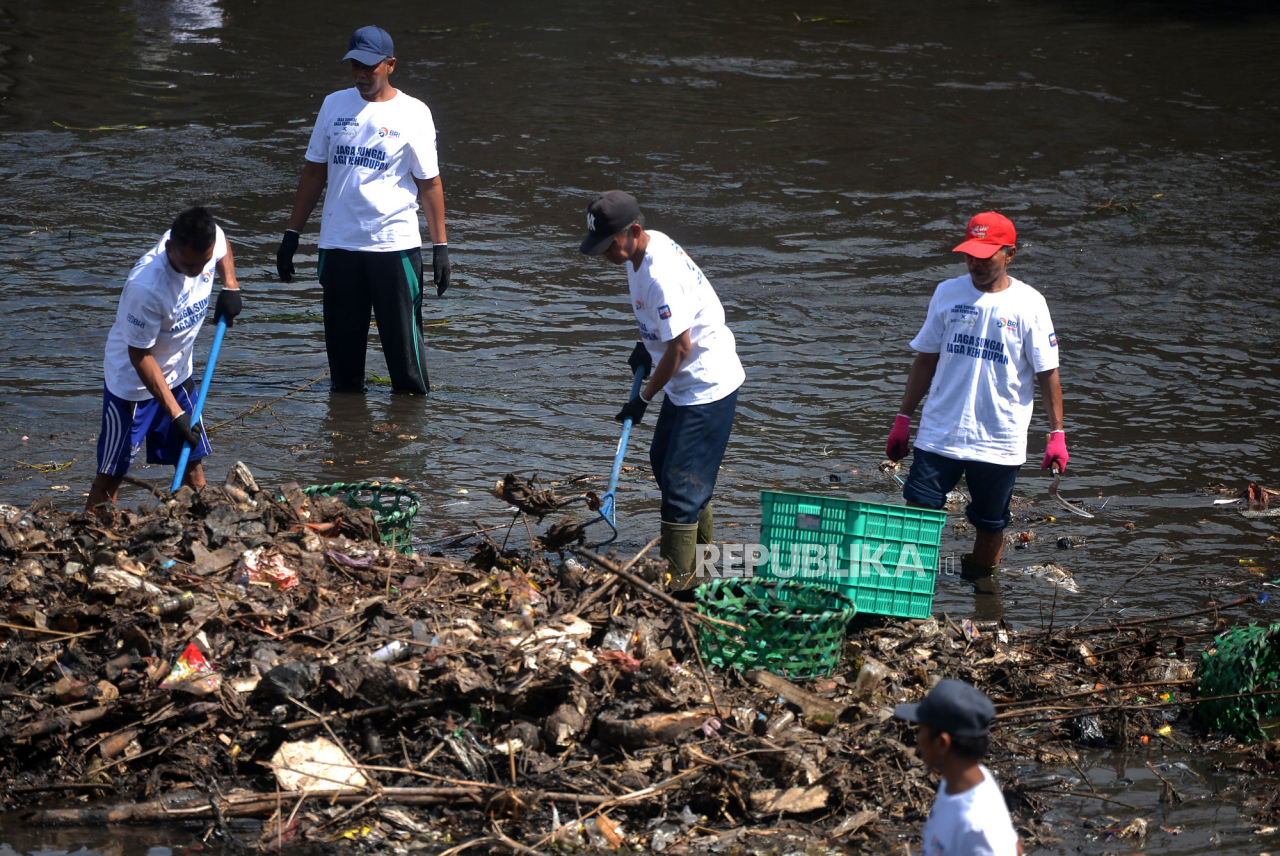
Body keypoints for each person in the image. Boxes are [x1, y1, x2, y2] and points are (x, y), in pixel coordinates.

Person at [885, 212, 1068, 593]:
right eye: (970, 254)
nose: (977, 263)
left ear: (1010, 254)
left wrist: (1057, 434)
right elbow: (926, 359)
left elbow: (1048, 372)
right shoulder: (947, 293)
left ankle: (982, 598)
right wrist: (903, 418)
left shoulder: (1030, 303)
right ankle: (908, 596)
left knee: (990, 524)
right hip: (940, 432)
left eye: (987, 255)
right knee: (918, 512)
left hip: (1000, 439)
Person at [579, 191, 745, 590]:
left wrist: (642, 398)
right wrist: (645, 345)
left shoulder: (660, 274)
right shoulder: (640, 249)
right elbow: (666, 327)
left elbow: (681, 347)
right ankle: (708, 567)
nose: (606, 255)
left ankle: (679, 585)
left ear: (633, 231)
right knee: (663, 463)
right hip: (683, 385)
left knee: (682, 486)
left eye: (610, 246)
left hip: (706, 385)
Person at [276, 25, 449, 395]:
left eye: (369, 66)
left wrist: (441, 249)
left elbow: (430, 184)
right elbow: (313, 172)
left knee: (407, 371)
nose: (361, 74)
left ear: (390, 65)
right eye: (355, 65)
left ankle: (409, 441)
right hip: (339, 247)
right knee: (344, 375)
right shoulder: (334, 105)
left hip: (393, 247)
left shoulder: (414, 113)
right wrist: (292, 234)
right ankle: (346, 438)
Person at [87, 206, 241, 510]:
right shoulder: (146, 287)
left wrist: (230, 284)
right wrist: (175, 413)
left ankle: (205, 525)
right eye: (189, 264)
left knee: (191, 460)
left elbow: (222, 243)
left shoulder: (208, 241)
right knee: (112, 474)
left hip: (178, 373)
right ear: (170, 247)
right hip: (132, 385)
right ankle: (91, 533)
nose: (198, 271)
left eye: (204, 262)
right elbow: (139, 355)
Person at [894, 679, 1021, 856]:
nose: (917, 739)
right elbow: (1016, 847)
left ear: (942, 743)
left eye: (921, 730)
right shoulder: (959, 781)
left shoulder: (977, 828)